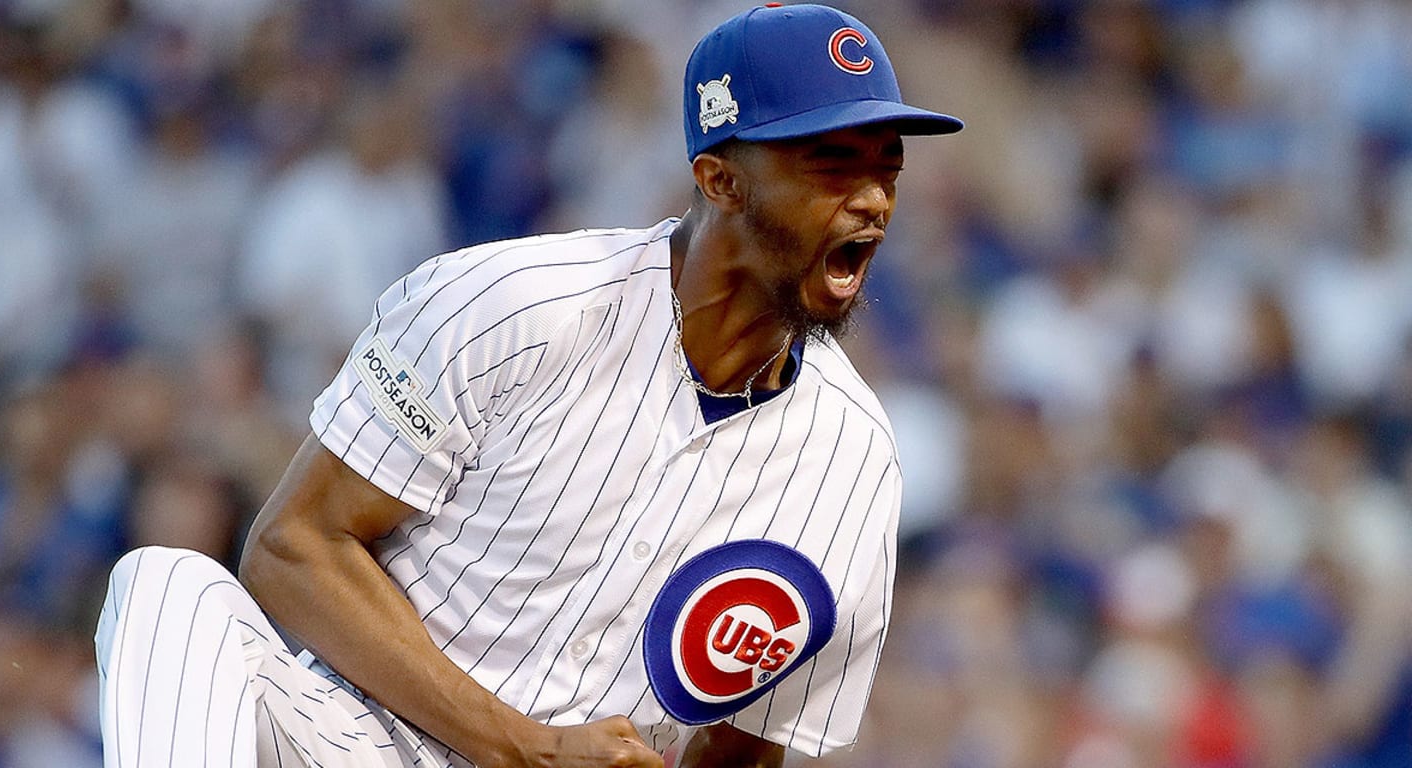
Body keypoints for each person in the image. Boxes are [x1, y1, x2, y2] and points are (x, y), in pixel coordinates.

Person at [94, 4, 962, 767]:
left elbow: (745, 747)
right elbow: (291, 547)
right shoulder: (514, 305)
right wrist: (521, 745)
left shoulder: (855, 462)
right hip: (352, 739)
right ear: (720, 177)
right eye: (831, 162)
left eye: (886, 165)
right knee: (168, 587)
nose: (874, 198)